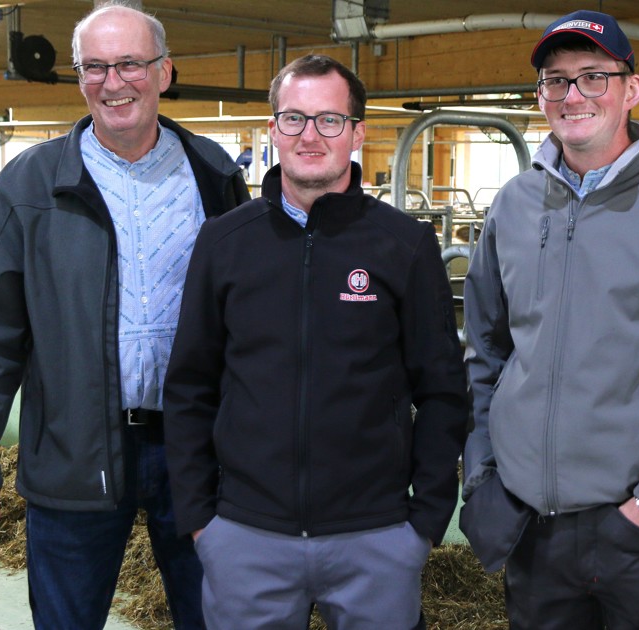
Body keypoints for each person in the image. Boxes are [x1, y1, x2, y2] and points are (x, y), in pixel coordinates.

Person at [0, 4, 249, 629]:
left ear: (164, 72)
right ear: (80, 76)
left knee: (216, 617)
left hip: (197, 452)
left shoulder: (213, 175)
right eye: (95, 67)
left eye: (131, 63)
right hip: (75, 451)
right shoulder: (29, 185)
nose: (114, 83)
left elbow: (249, 318)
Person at [461, 10, 639, 629]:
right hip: (531, 524)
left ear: (631, 89)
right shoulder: (512, 204)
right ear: (541, 95)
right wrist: (483, 475)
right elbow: (484, 353)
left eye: (594, 77)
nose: (573, 95)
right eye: (556, 80)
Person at [163, 53, 468, 630]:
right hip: (246, 535)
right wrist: (202, 520)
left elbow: (443, 389)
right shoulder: (225, 242)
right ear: (273, 129)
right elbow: (189, 386)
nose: (310, 135)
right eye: (294, 118)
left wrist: (424, 522)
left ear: (357, 133)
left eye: (329, 120)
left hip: (375, 537)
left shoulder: (403, 245)